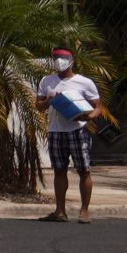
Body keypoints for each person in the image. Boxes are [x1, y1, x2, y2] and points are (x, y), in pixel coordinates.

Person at [34, 47, 101, 222]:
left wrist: (88, 116)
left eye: (63, 57)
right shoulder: (47, 80)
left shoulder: (84, 82)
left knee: (83, 170)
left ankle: (84, 211)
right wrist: (48, 101)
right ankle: (60, 212)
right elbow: (38, 106)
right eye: (56, 57)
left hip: (77, 130)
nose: (59, 60)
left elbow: (98, 107)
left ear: (72, 60)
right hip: (56, 131)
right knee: (59, 171)